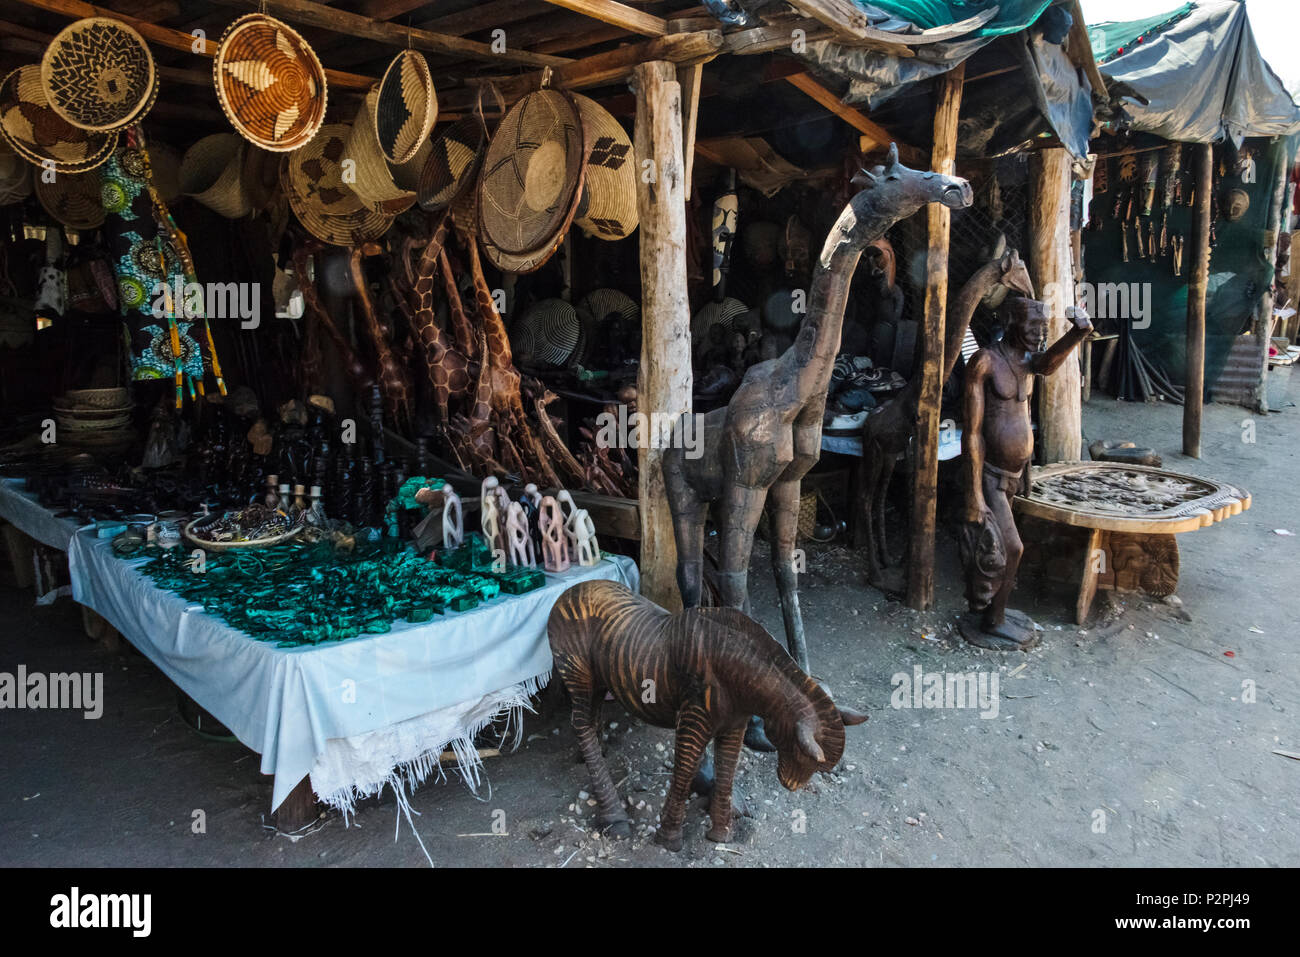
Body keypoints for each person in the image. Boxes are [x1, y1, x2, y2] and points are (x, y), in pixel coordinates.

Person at [959, 295, 1092, 650]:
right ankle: (993, 619)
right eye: (1031, 325)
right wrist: (973, 493)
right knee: (1012, 548)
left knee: (1009, 548)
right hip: (988, 474)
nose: (1038, 333)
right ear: (1009, 321)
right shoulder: (984, 362)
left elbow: (1048, 364)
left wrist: (1077, 335)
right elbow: (971, 433)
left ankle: (996, 612)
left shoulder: (1026, 361)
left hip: (1014, 475)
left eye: (1042, 326)